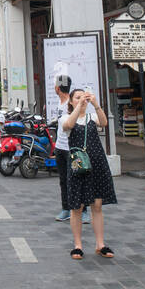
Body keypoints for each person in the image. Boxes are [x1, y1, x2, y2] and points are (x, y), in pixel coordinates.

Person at [61, 87, 116, 260]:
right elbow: (68, 125)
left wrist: (95, 104)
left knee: (97, 205)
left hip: (97, 164)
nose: (81, 99)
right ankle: (78, 245)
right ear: (70, 102)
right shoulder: (66, 118)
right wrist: (79, 107)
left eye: (82, 97)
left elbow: (104, 122)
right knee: (77, 207)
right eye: (77, 98)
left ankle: (100, 244)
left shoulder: (92, 117)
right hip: (78, 167)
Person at [52, 76, 90, 224]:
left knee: (78, 179)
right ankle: (66, 208)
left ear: (57, 88)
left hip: (72, 148)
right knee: (63, 180)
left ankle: (84, 210)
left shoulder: (72, 102)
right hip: (60, 147)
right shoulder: (59, 103)